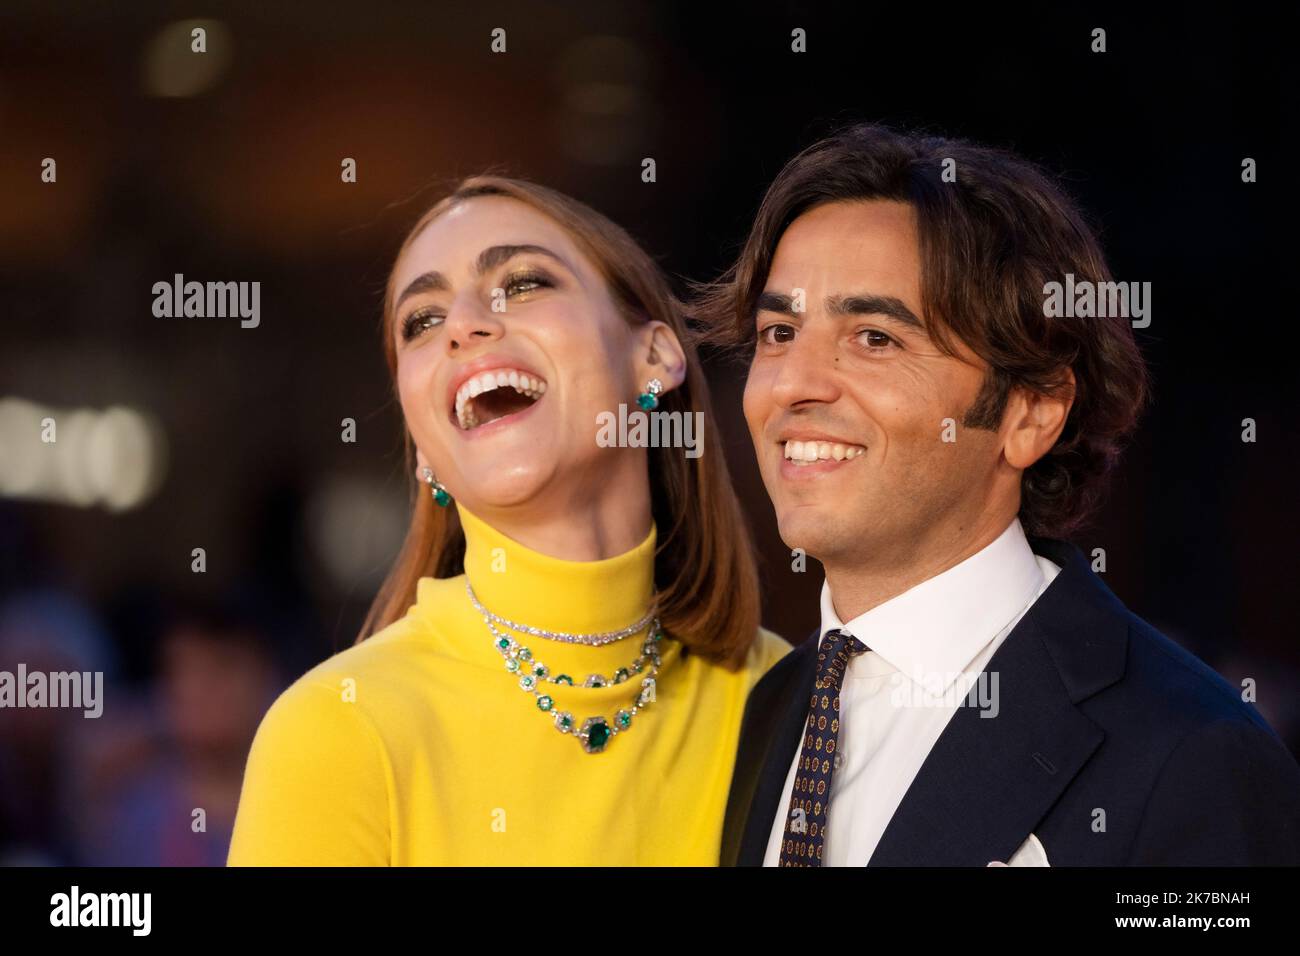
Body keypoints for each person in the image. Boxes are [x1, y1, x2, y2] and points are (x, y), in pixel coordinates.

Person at [694, 123, 1300, 866]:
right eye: (779, 331)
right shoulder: (776, 707)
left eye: (875, 338)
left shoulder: (1189, 753)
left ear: (1032, 412)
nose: (791, 384)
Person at [227, 175, 790, 865]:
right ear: (424, 450)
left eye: (523, 283)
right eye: (422, 322)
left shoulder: (782, 700)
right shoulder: (338, 729)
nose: (464, 325)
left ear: (656, 355)